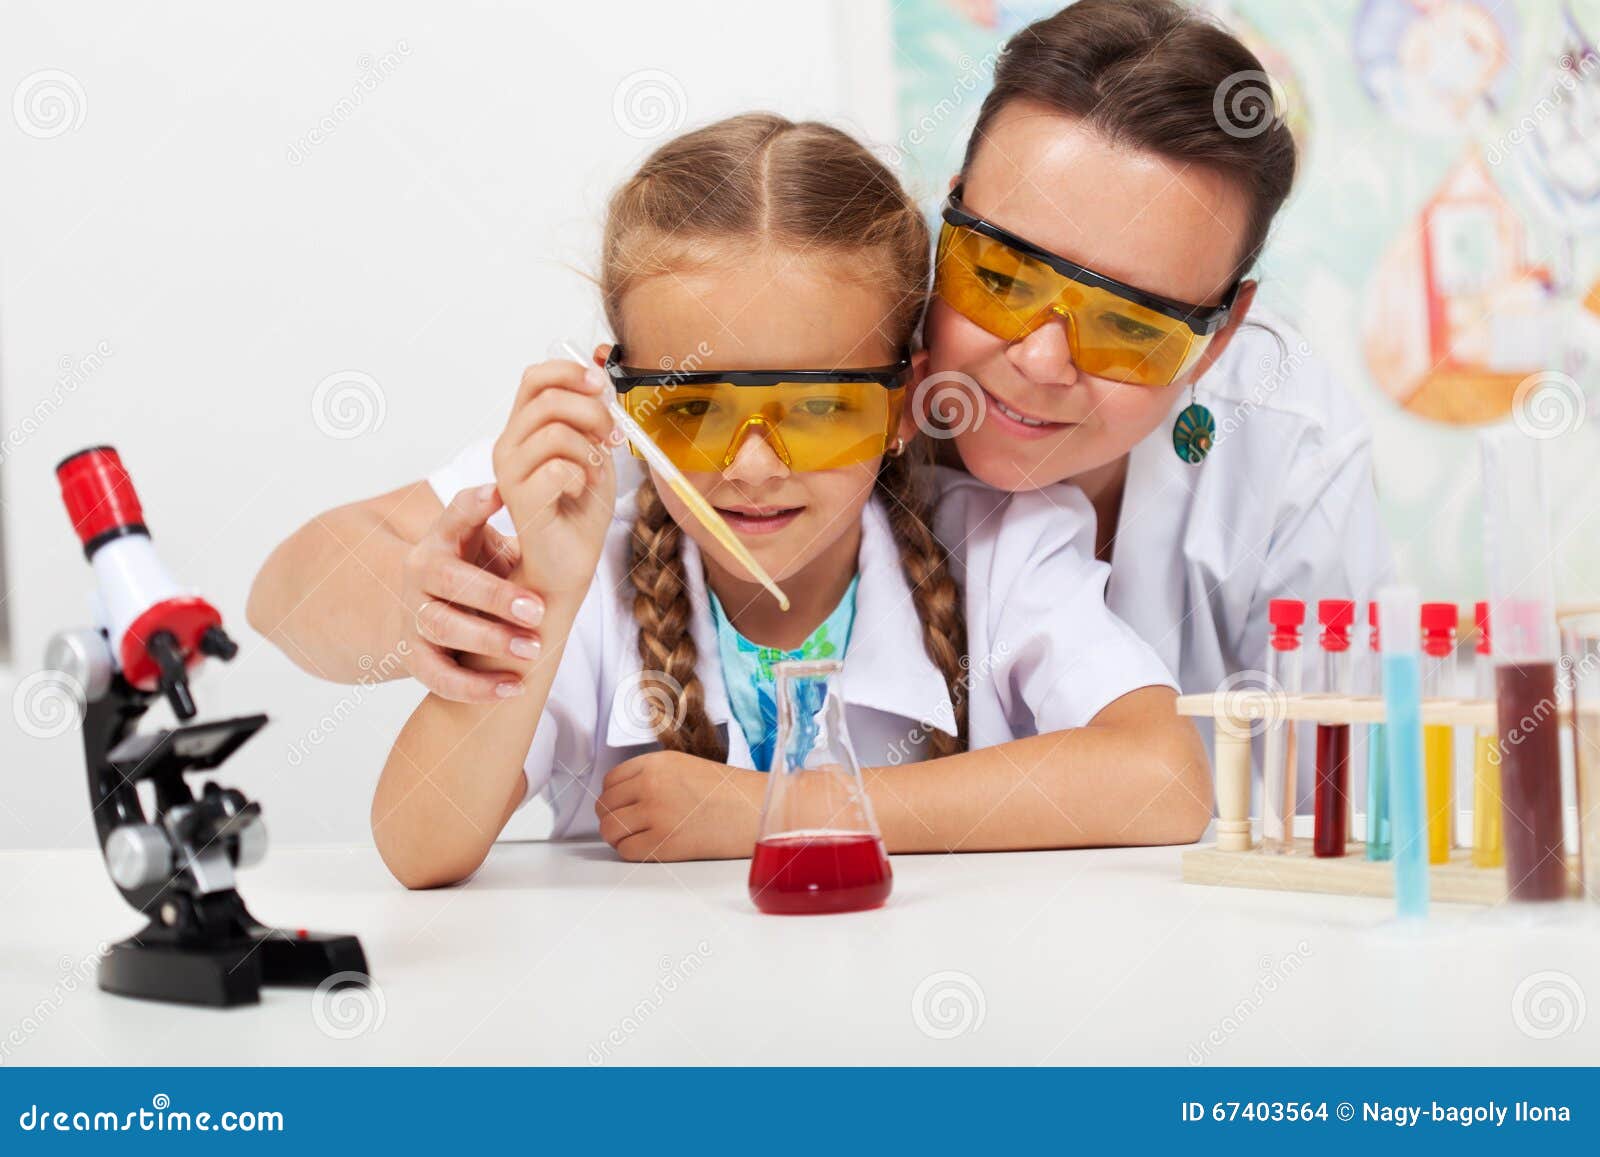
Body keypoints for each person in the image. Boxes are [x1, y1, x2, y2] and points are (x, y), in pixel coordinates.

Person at [369, 114, 1207, 886]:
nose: (755, 466)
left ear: (900, 405)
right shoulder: (586, 579)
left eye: (818, 409)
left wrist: (786, 813)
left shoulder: (1000, 547)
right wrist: (545, 593)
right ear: (624, 405)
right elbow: (418, 846)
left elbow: (1164, 780)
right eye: (694, 409)